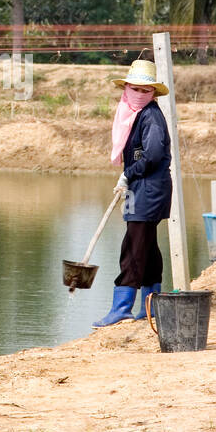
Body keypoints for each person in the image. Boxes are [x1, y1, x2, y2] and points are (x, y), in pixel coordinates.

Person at [93, 58, 173, 327]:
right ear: (125, 88)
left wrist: (128, 173)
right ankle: (152, 305)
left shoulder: (151, 116)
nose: (139, 94)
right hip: (139, 188)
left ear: (153, 93)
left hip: (149, 190)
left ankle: (122, 307)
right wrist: (129, 177)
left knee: (133, 247)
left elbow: (153, 154)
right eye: (134, 88)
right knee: (147, 246)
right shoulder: (132, 116)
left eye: (145, 90)